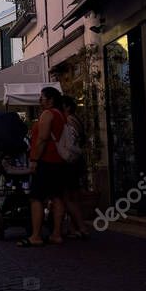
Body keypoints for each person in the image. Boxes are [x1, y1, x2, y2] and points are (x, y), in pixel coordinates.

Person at [24, 86, 69, 247]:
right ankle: (56, 233)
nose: (40, 101)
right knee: (57, 197)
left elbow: (42, 138)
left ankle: (35, 235)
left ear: (50, 100)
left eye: (42, 98)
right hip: (59, 162)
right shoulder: (61, 115)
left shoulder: (47, 114)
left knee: (36, 198)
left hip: (46, 160)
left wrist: (34, 159)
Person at [61, 95, 92, 239]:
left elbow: (70, 143)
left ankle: (81, 227)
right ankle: (74, 228)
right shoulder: (76, 120)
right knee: (73, 197)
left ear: (67, 107)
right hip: (77, 162)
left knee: (68, 197)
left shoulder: (68, 121)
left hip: (70, 163)